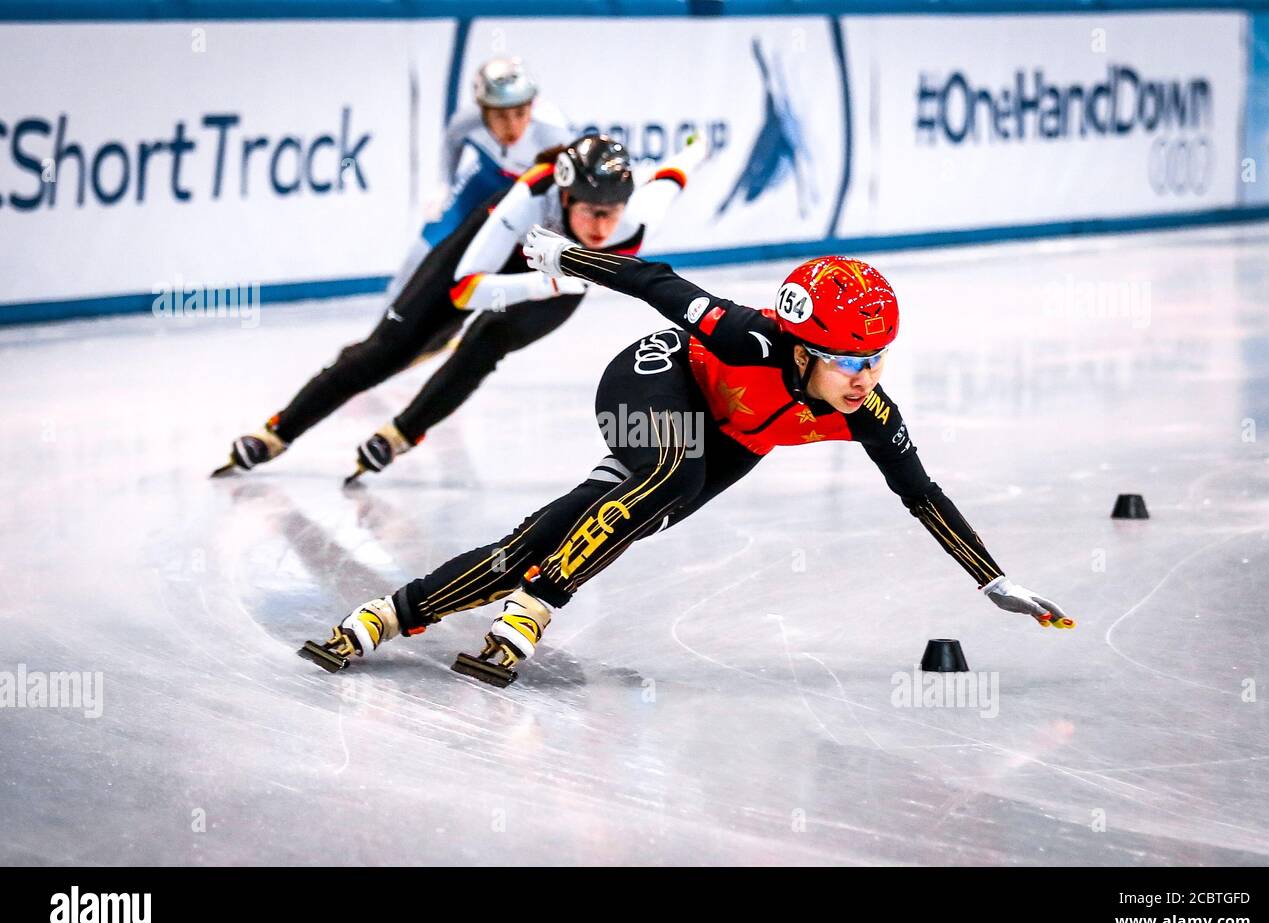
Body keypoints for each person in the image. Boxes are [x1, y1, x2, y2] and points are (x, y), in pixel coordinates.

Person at [299, 231, 1074, 684]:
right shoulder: (748, 337)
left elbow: (923, 495)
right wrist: (571, 259)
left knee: (556, 531)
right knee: (677, 471)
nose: (864, 378)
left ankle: (387, 615)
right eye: (846, 360)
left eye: (876, 358)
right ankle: (539, 605)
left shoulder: (869, 412)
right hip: (653, 377)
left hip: (732, 439)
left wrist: (993, 578)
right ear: (802, 348)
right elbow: (653, 282)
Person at [212, 132, 704, 482]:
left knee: (484, 346)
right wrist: (540, 286)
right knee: (386, 351)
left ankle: (402, 433)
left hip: (560, 280)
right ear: (566, 194)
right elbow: (465, 289)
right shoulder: (527, 200)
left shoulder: (637, 217)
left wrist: (694, 146)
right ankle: (278, 431)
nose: (601, 226)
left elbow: (677, 175)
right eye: (590, 211)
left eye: (610, 213)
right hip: (499, 261)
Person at [386, 56, 573, 296]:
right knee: (422, 253)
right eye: (500, 115)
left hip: (529, 197)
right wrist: (444, 184)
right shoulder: (468, 120)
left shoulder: (552, 132)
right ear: (483, 110)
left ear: (532, 105)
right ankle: (385, 319)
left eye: (520, 112)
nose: (512, 125)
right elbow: (451, 142)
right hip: (485, 184)